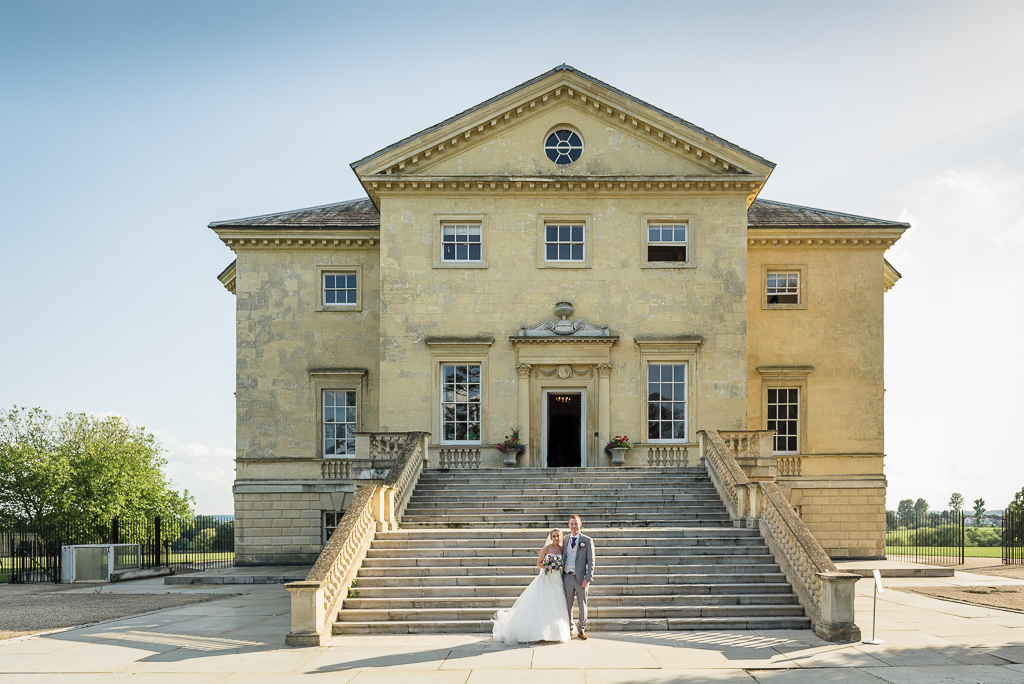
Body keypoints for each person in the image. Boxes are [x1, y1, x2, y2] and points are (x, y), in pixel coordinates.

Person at [492, 528, 572, 645]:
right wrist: (548, 566)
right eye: (554, 536)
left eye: (558, 536)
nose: (556, 538)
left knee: (555, 604)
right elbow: (539, 563)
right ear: (551, 537)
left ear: (561, 537)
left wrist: (556, 567)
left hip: (556, 579)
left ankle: (554, 633)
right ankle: (537, 632)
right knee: (541, 604)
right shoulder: (546, 548)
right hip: (545, 578)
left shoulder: (562, 549)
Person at [562, 513, 595, 639]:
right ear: (569, 525)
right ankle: (570, 628)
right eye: (572, 524)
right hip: (567, 576)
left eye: (576, 523)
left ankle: (581, 629)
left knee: (582, 604)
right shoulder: (564, 539)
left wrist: (587, 578)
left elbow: (591, 561)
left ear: (580, 524)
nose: (574, 526)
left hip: (581, 577)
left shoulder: (587, 540)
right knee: (568, 604)